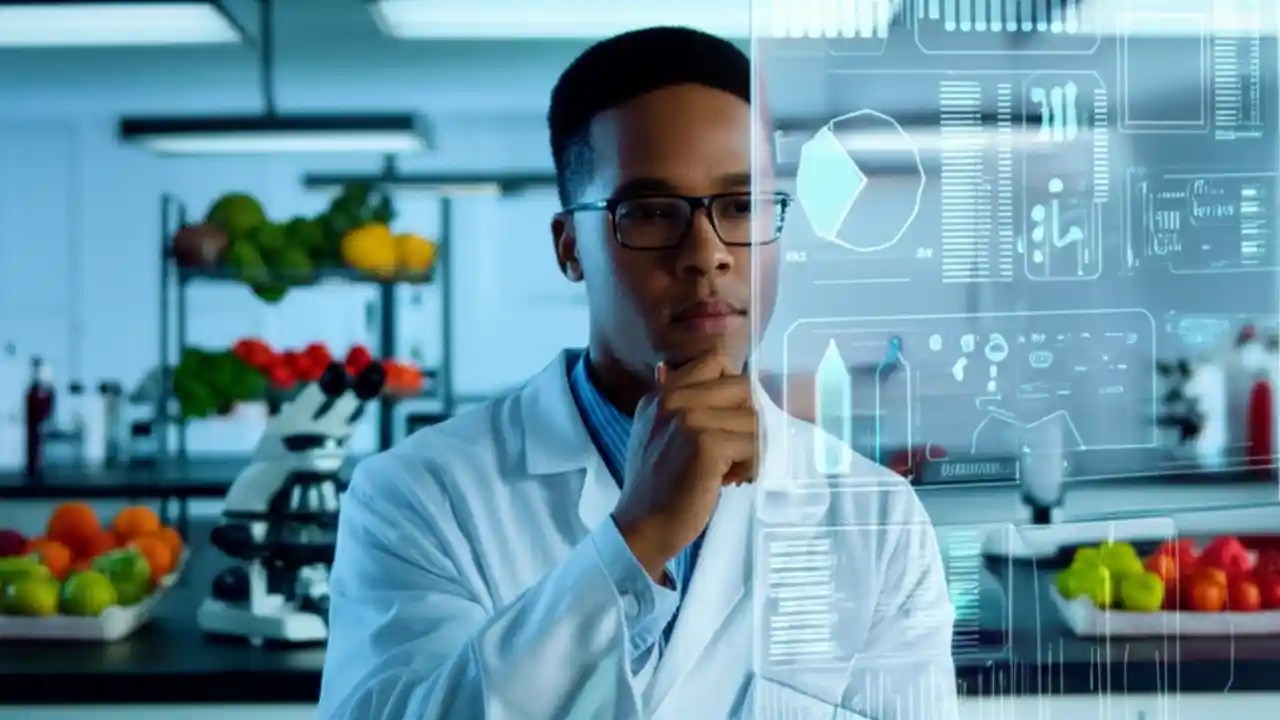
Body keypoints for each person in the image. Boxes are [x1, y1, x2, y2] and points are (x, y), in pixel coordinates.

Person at [317, 26, 958, 720]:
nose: (708, 254)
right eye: (651, 213)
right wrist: (636, 540)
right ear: (571, 248)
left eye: (741, 206)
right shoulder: (416, 497)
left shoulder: (877, 519)